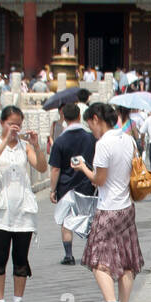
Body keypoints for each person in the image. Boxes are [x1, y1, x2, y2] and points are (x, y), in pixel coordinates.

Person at [73, 102, 144, 302]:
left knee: (96, 257)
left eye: (90, 124)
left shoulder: (103, 144)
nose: (91, 129)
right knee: (126, 257)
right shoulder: (128, 139)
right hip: (127, 206)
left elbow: (99, 179)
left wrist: (83, 167)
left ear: (96, 119)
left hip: (108, 207)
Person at [0, 105, 47, 302]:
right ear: (2, 123)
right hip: (0, 211)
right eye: (11, 123)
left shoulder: (25, 146)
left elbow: (41, 167)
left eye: (18, 123)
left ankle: (18, 301)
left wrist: (37, 146)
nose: (15, 127)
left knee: (21, 259)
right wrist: (5, 140)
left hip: (23, 210)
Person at [49, 102, 96, 265]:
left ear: (64, 117)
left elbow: (55, 169)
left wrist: (52, 190)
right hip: (86, 182)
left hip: (65, 185)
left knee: (66, 219)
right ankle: (92, 251)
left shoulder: (60, 141)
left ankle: (69, 255)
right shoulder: (90, 137)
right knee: (88, 217)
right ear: (79, 117)